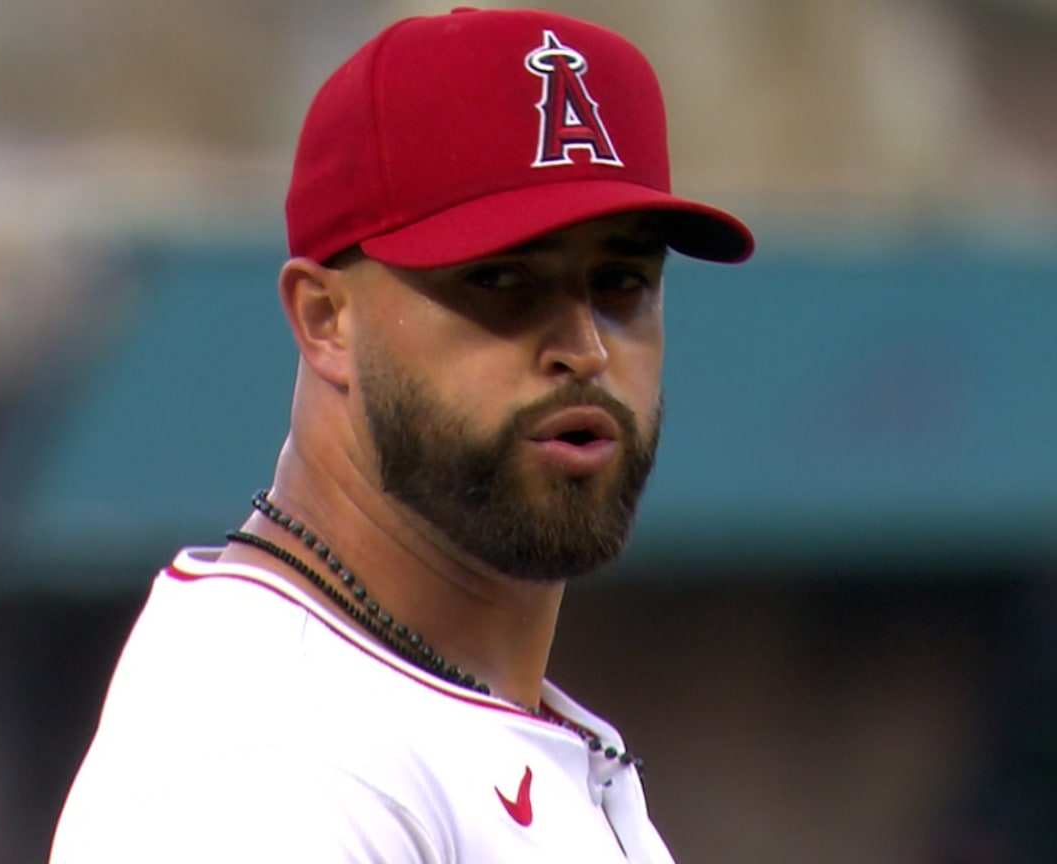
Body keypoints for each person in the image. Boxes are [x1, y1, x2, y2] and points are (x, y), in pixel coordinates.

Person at [49, 7, 752, 862]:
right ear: (325, 320)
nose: (585, 348)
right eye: (502, 280)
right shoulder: (273, 773)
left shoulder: (408, 718)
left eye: (621, 281)